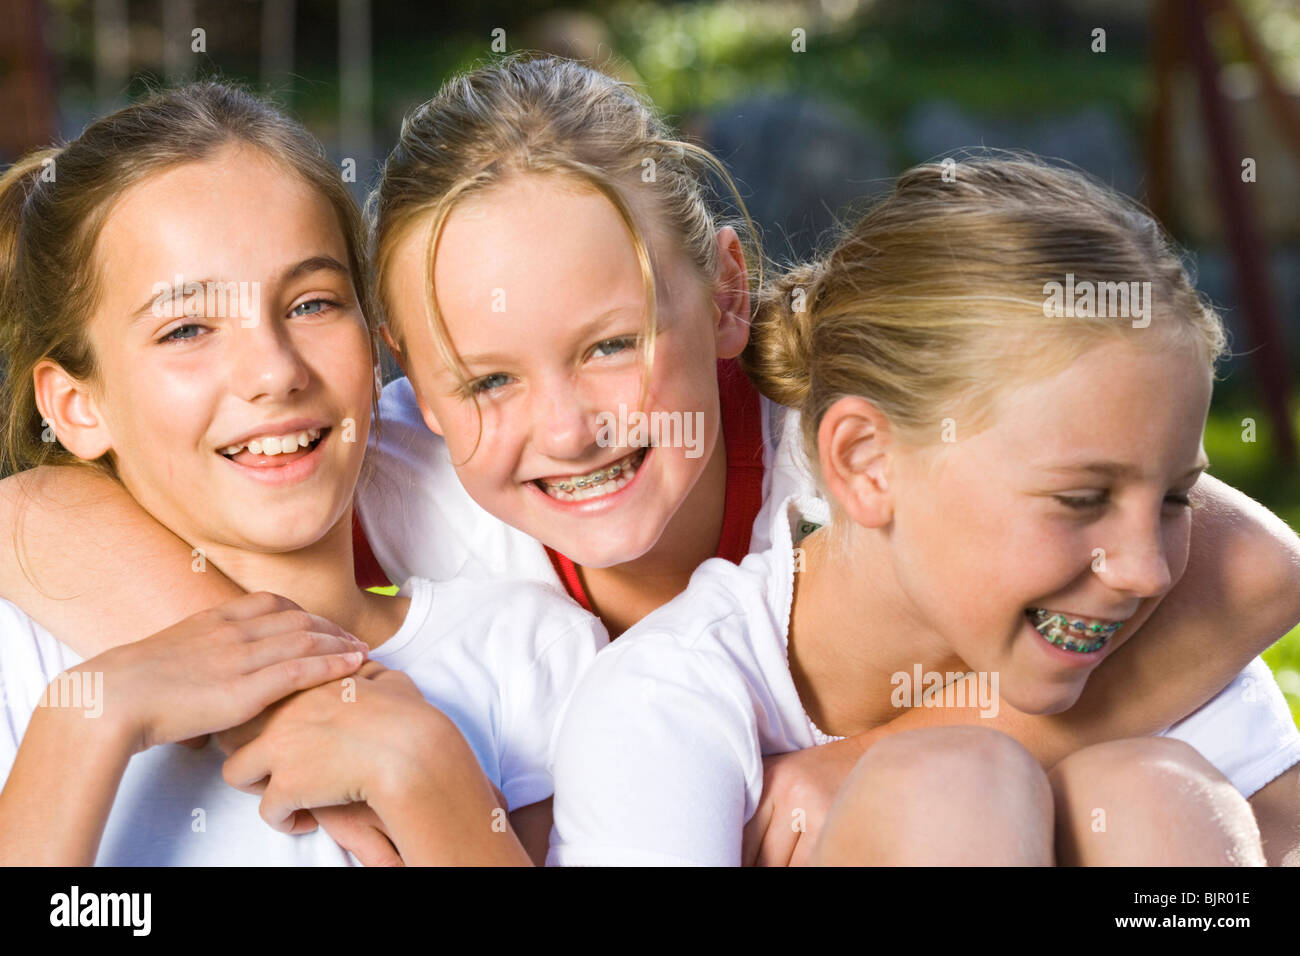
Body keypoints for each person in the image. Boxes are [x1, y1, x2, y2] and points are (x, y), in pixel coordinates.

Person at [2, 58, 1299, 861]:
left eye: (616, 345)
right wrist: (314, 696)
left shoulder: (839, 461)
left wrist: (873, 753)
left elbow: (1247, 564)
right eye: (490, 377)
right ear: (421, 374)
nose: (567, 429)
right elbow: (33, 516)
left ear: (727, 299)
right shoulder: (409, 462)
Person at [547, 157, 1300, 865]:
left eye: (1175, 498)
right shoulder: (669, 705)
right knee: (953, 782)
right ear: (865, 463)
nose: (1147, 570)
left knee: (1152, 792)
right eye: (1081, 499)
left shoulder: (1146, 656)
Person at [0, 82, 603, 866]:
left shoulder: (526, 652)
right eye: (186, 328)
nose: (273, 371)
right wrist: (87, 724)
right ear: (77, 407)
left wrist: (426, 772)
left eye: (312, 304)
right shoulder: (27, 663)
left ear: (373, 335)